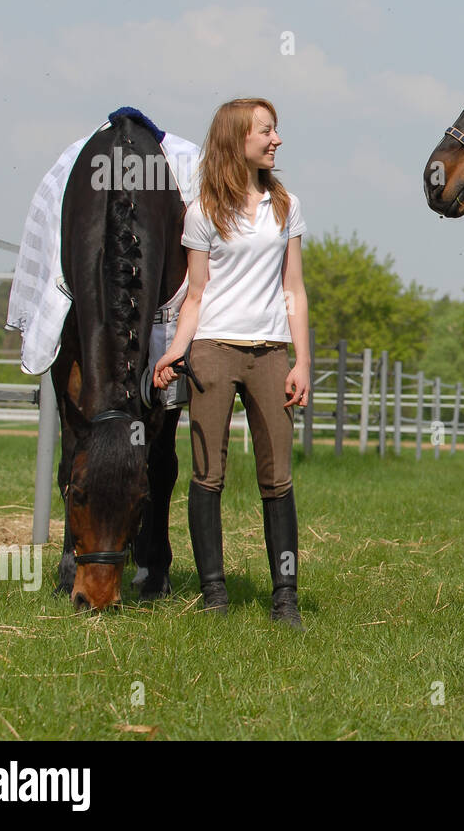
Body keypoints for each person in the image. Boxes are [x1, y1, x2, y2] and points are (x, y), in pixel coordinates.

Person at [153, 98, 311, 628]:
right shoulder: (201, 212)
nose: (276, 140)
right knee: (208, 473)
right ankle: (214, 592)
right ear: (236, 139)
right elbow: (194, 295)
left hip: (270, 353)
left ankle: (284, 596)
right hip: (213, 350)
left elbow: (294, 288)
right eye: (266, 130)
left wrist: (302, 360)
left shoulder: (285, 206)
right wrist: (176, 350)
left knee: (278, 477)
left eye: (276, 130)